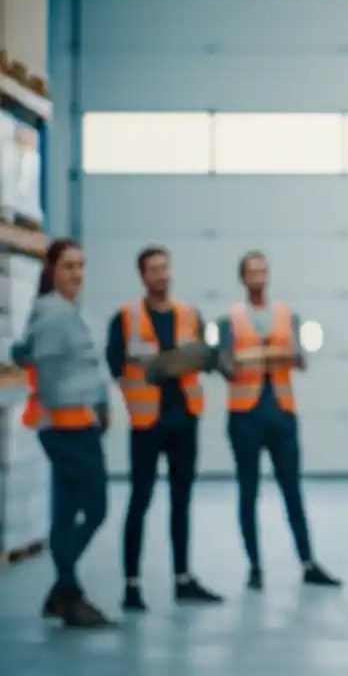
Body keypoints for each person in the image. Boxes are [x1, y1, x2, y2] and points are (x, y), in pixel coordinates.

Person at [106, 245, 223, 611]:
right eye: (154, 269)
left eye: (165, 268)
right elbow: (115, 366)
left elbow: (205, 356)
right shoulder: (125, 317)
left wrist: (181, 363)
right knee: (139, 500)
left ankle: (182, 579)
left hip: (183, 419)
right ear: (143, 276)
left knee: (181, 500)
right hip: (146, 423)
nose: (162, 274)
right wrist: (160, 369)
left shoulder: (190, 315)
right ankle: (131, 585)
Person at [216, 250, 340, 591]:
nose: (259, 277)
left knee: (292, 490)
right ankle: (255, 566)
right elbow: (226, 365)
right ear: (243, 278)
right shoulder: (231, 320)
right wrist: (262, 358)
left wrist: (261, 358)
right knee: (248, 490)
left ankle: (307, 561)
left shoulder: (287, 316)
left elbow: (300, 358)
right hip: (245, 416)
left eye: (263, 271)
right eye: (252, 272)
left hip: (282, 412)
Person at [15, 239, 115, 627]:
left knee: (67, 511)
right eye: (69, 266)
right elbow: (49, 372)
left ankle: (64, 591)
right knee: (95, 507)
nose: (77, 273)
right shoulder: (55, 313)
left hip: (75, 423)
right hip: (67, 426)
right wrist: (84, 415)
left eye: (81, 266)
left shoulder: (63, 311)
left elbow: (23, 350)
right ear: (51, 270)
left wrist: (99, 407)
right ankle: (67, 590)